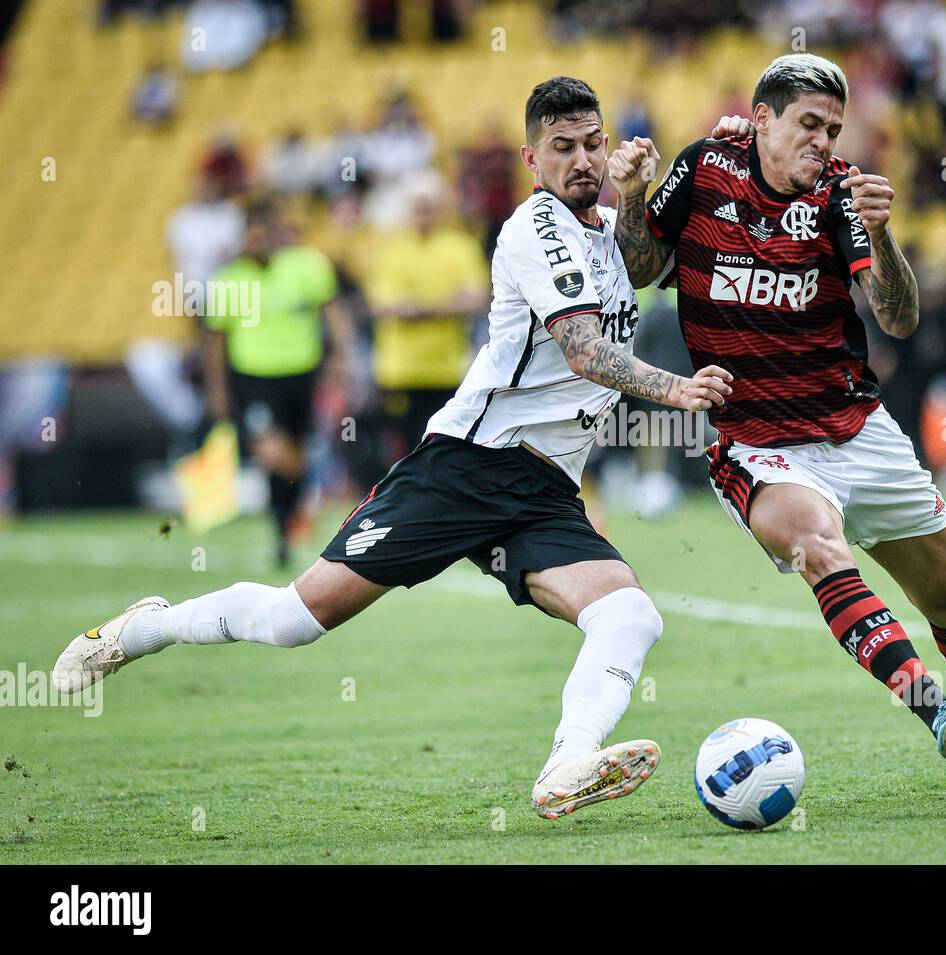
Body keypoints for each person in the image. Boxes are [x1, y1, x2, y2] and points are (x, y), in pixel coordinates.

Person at [52, 77, 734, 821]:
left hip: (543, 492)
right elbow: (582, 350)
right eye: (561, 147)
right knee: (292, 621)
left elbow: (637, 264)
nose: (581, 159)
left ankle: (567, 761)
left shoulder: (606, 223)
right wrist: (677, 389)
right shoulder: (531, 229)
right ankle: (145, 626)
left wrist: (646, 189)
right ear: (530, 159)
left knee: (631, 614)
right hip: (465, 468)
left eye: (592, 143)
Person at [610, 53, 946, 789]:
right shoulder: (704, 166)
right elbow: (642, 266)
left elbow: (899, 319)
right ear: (762, 120)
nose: (824, 141)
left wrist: (887, 235)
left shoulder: (843, 194)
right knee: (818, 547)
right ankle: (936, 710)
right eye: (809, 124)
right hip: (757, 442)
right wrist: (632, 197)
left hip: (855, 425)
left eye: (834, 128)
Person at [199, 198, 352, 566]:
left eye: (262, 235)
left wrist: (341, 359)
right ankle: (289, 519)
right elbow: (215, 343)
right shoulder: (229, 280)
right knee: (273, 454)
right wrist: (216, 391)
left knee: (297, 455)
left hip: (302, 374)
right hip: (253, 379)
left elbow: (333, 314)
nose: (257, 243)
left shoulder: (306, 266)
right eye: (250, 237)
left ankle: (285, 526)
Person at [366, 176, 489, 462]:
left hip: (447, 367)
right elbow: (383, 305)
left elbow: (477, 297)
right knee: (404, 450)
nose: (423, 215)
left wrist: (420, 308)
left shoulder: (460, 246)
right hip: (400, 370)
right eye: (418, 207)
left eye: (429, 207)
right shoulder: (390, 250)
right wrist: (445, 306)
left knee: (445, 446)